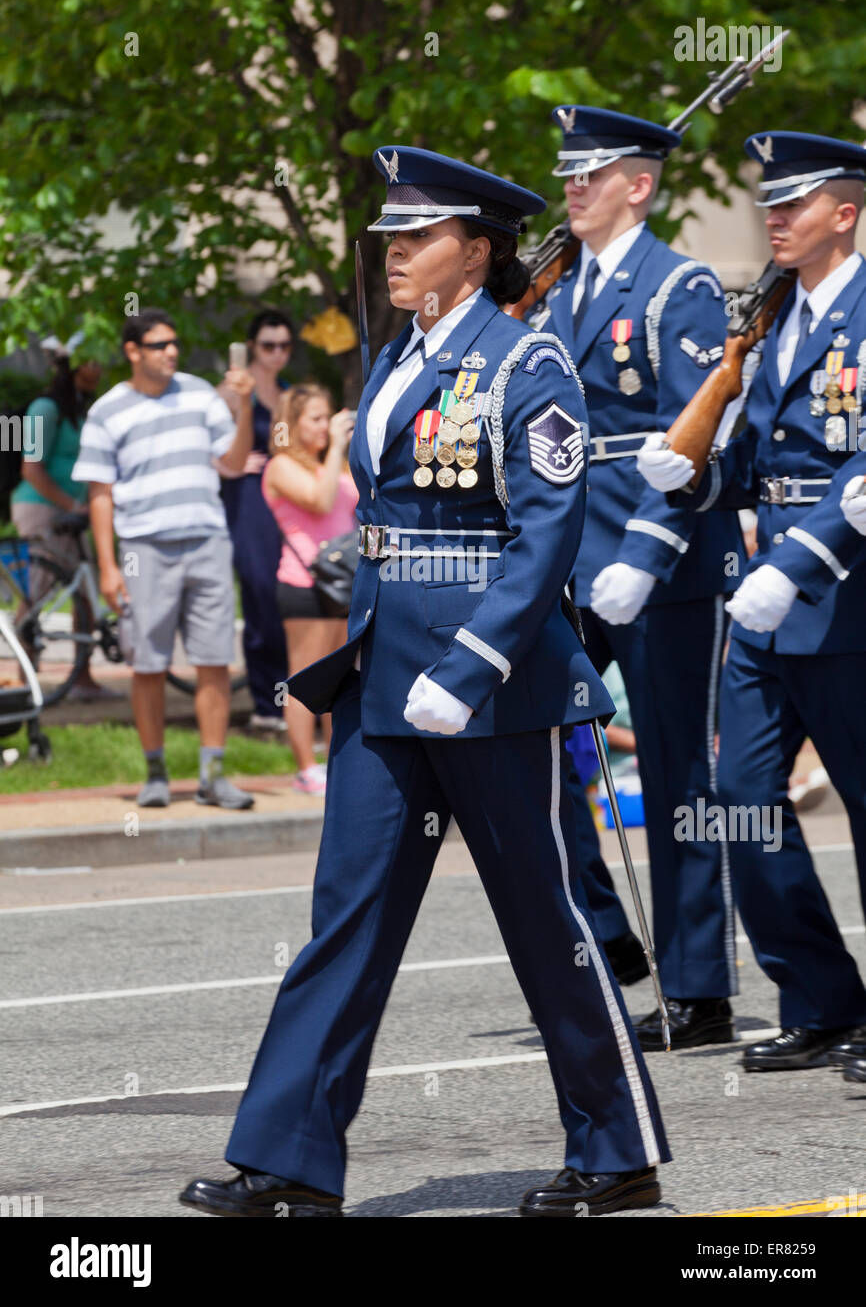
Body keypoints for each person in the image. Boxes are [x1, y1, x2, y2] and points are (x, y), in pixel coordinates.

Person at [180, 146, 670, 1219]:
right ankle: (289, 1161)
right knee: (345, 919)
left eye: (418, 237)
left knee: (543, 921)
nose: (395, 253)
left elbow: (546, 533)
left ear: (476, 249)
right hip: (383, 678)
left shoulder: (525, 362)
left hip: (487, 690)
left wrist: (473, 660)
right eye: (391, 238)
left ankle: (615, 1149)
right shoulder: (398, 357)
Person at [638, 131, 866, 1076]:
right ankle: (821, 999)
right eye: (769, 204)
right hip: (758, 597)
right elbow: (754, 461)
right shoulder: (771, 320)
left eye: (795, 204)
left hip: (845, 593)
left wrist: (804, 558)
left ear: (845, 213)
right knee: (739, 800)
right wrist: (688, 478)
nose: (774, 218)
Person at [525, 106, 743, 1049]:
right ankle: (608, 942)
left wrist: (645, 556)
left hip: (659, 564)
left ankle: (698, 988)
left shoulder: (678, 286)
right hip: (569, 557)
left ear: (639, 187)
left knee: (678, 766)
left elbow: (695, 441)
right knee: (543, 757)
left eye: (593, 174)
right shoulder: (561, 291)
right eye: (569, 174)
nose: (573, 187)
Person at [72, 308, 256, 810]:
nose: (172, 351)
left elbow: (235, 464)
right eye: (159, 345)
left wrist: (243, 407)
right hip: (143, 549)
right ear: (133, 351)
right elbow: (100, 494)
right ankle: (155, 773)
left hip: (207, 541)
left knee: (214, 660)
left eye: (174, 342)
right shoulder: (108, 411)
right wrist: (109, 567)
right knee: (148, 664)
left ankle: (212, 777)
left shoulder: (200, 394)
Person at [11, 335, 118, 700]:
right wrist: (71, 506)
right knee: (37, 589)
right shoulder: (45, 407)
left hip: (75, 513)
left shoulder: (80, 408)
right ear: (72, 366)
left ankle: (83, 680)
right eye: (91, 362)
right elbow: (31, 468)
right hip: (41, 508)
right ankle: (23, 682)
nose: (98, 369)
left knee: (86, 592)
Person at [262, 384, 357, 794]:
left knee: (339, 680)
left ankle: (337, 758)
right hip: (306, 584)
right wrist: (337, 445)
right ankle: (305, 765)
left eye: (328, 417)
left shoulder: (334, 464)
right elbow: (319, 502)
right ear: (293, 423)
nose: (325, 425)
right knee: (305, 678)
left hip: (345, 583)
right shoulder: (281, 466)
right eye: (316, 419)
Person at [218, 310, 293, 732]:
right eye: (268, 346)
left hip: (282, 499)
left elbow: (287, 447)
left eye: (284, 346)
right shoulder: (228, 392)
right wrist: (229, 461)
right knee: (259, 590)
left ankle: (282, 704)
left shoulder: (286, 394)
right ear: (251, 348)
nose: (276, 354)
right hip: (244, 499)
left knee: (284, 595)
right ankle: (266, 704)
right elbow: (210, 447)